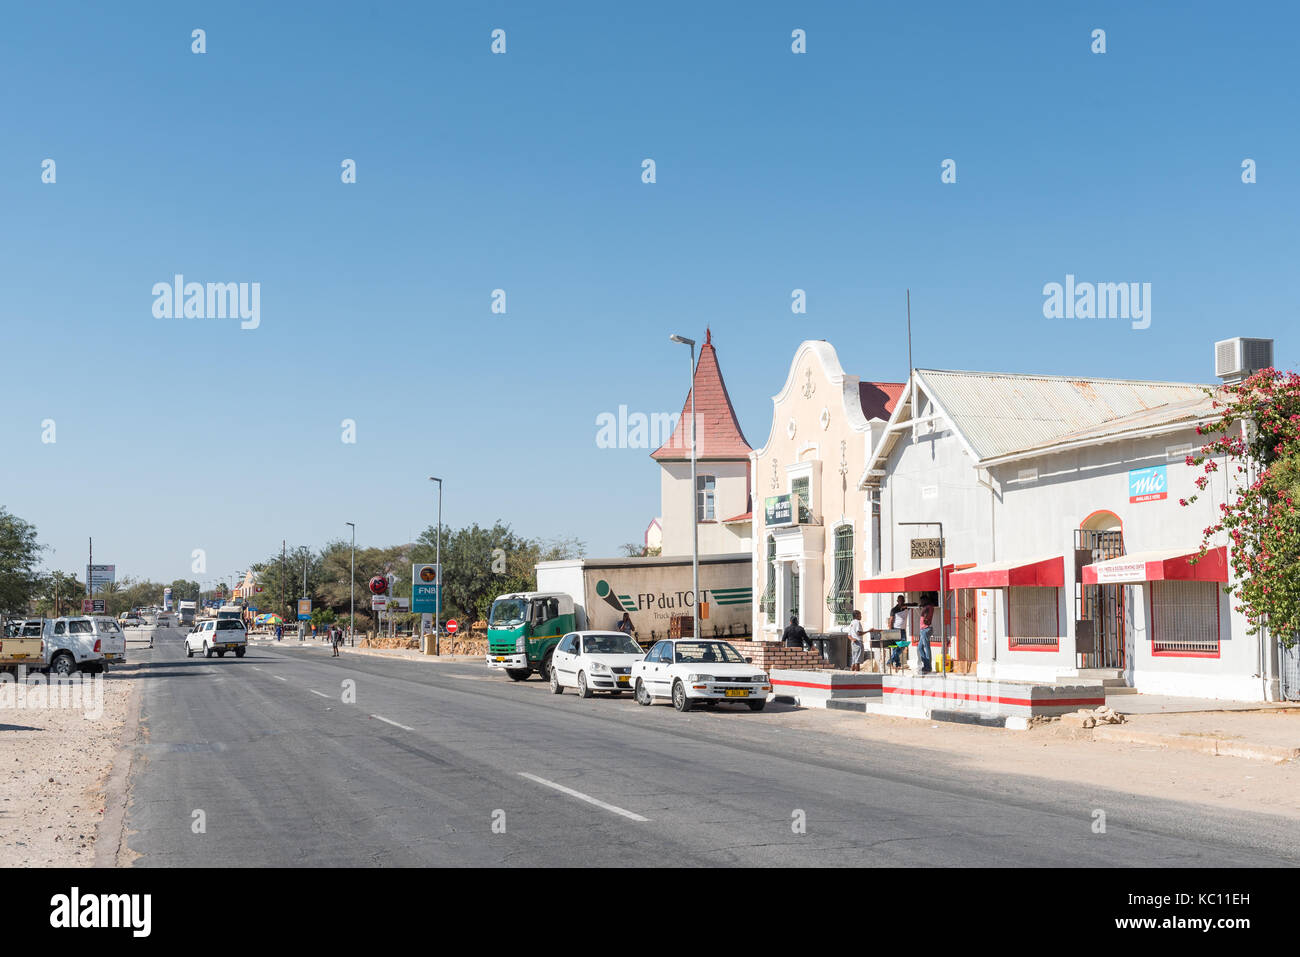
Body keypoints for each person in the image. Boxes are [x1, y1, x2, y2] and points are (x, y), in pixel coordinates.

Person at [888, 595, 912, 669]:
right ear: (897, 601)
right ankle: (896, 663)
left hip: (903, 630)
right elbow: (891, 620)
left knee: (903, 646)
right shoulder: (894, 610)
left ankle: (892, 662)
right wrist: (890, 631)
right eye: (900, 601)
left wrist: (906, 606)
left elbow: (914, 604)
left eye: (903, 600)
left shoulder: (906, 608)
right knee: (896, 647)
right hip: (896, 629)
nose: (901, 602)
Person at [917, 596, 935, 675]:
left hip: (925, 629)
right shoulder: (927, 607)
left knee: (926, 648)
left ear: (925, 600)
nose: (920, 602)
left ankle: (928, 667)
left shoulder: (928, 607)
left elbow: (927, 618)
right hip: (923, 630)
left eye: (921, 601)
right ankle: (926, 665)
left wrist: (925, 618)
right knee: (920, 647)